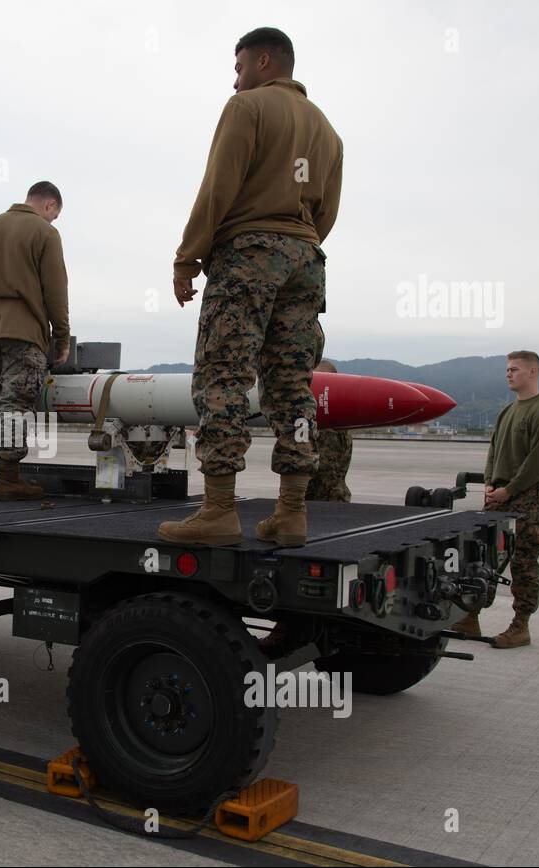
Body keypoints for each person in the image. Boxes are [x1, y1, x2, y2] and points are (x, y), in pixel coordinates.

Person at [159, 26, 343, 548]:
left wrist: (188, 257)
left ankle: (218, 510)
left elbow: (219, 186)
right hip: (306, 259)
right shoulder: (327, 131)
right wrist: (295, 242)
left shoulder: (247, 108)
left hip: (249, 254)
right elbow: (327, 210)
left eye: (239, 67)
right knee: (292, 386)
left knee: (223, 375)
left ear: (264, 61)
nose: (235, 79)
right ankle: (291, 512)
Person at [0, 181, 70, 500]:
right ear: (50, 205)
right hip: (23, 330)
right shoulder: (45, 233)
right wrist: (61, 336)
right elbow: (55, 290)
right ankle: (8, 478)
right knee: (16, 401)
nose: (52, 220)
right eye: (54, 215)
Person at [450, 351, 539, 649]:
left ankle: (520, 626)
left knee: (524, 564)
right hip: (499, 497)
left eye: (515, 369)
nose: (508, 374)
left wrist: (509, 490)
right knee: (483, 561)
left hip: (530, 499)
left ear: (533, 372)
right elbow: (494, 451)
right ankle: (470, 616)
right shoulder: (508, 411)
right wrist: (489, 482)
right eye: (508, 369)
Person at [305, 359, 353, 502]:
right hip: (328, 499)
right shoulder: (336, 420)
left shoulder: (329, 427)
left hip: (324, 501)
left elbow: (324, 471)